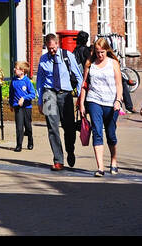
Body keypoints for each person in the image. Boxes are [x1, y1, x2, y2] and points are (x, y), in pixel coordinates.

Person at [78, 37, 124, 177]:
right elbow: (85, 84)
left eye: (102, 52)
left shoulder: (113, 63)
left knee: (110, 134)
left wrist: (118, 100)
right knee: (97, 131)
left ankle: (114, 161)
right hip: (94, 101)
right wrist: (81, 103)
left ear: (107, 50)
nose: (100, 55)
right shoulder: (90, 64)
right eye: (97, 52)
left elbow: (119, 84)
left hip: (111, 102)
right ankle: (100, 168)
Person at [36, 32, 82, 170]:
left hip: (65, 94)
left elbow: (79, 77)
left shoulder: (68, 56)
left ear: (57, 44)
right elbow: (40, 81)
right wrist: (39, 100)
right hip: (49, 94)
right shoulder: (43, 59)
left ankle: (70, 150)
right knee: (52, 128)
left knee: (69, 128)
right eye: (49, 48)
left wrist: (80, 97)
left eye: (54, 47)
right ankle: (58, 160)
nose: (52, 50)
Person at [9, 60, 36, 151]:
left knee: (27, 126)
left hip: (27, 107)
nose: (14, 70)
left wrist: (24, 98)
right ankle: (19, 145)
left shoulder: (27, 81)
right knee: (19, 126)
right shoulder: (13, 80)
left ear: (22, 71)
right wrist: (11, 104)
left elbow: (33, 94)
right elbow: (11, 93)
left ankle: (30, 140)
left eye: (16, 68)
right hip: (17, 107)